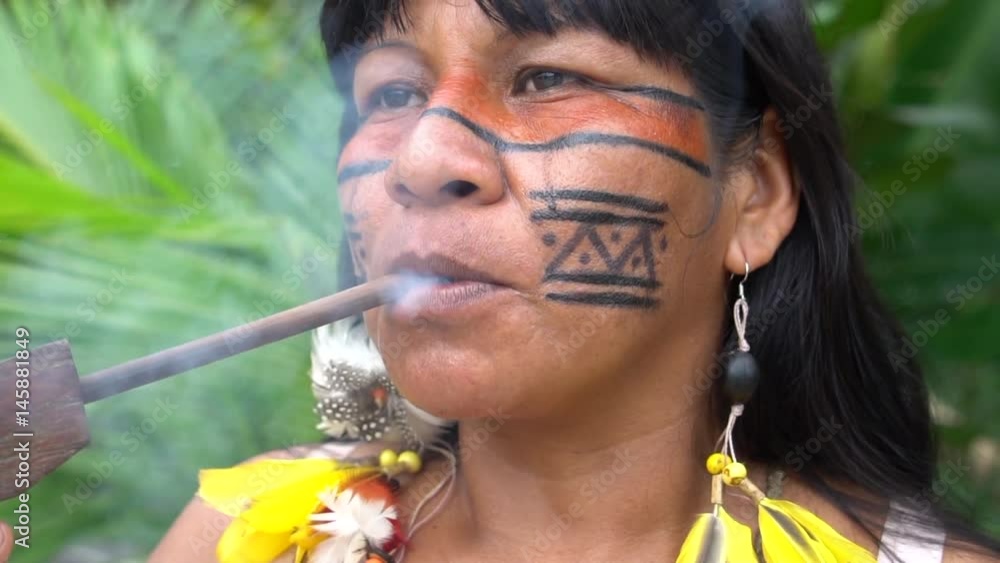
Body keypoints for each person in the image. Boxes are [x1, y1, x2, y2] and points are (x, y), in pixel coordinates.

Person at [152, 0, 1000, 561]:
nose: (421, 158)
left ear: (756, 195)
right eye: (392, 93)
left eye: (549, 78)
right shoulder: (249, 537)